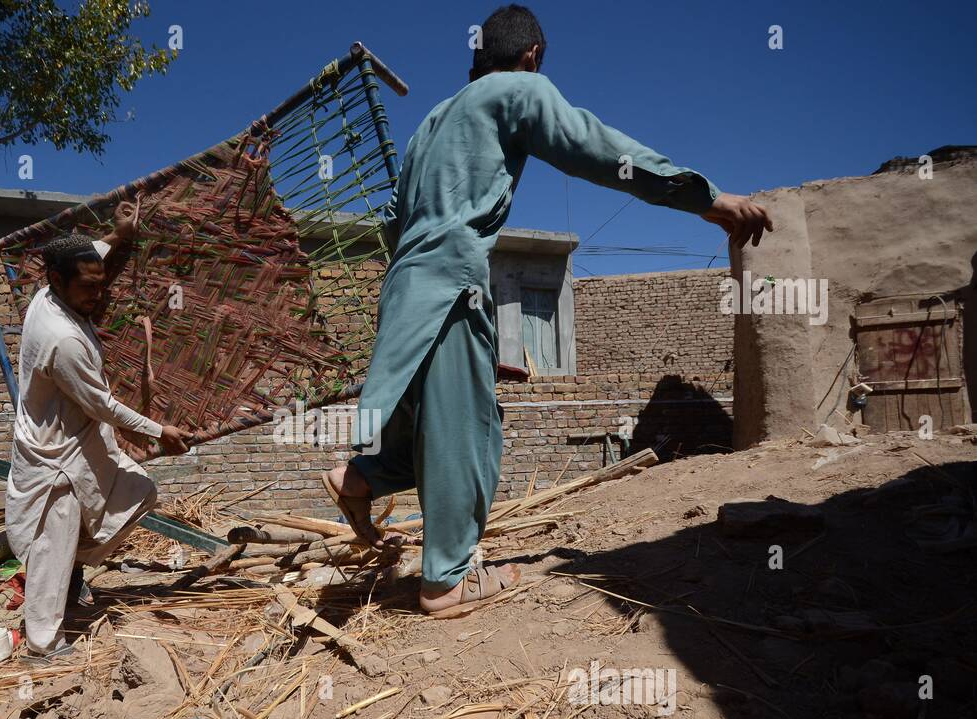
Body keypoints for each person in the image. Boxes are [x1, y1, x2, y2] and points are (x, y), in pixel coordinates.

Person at [323, 4, 773, 614]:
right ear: (531, 56)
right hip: (451, 279)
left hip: (404, 282)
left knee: (425, 413)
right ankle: (447, 581)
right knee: (466, 428)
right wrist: (707, 199)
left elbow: (400, 218)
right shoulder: (520, 90)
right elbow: (597, 147)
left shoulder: (430, 122)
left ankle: (361, 478)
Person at [6, 208, 189, 659]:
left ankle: (71, 567)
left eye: (100, 283)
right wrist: (158, 430)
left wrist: (118, 235)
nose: (97, 293)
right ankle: (43, 644)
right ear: (56, 279)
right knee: (53, 542)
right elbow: (101, 405)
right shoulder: (61, 338)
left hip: (82, 443)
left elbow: (92, 259)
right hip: (54, 458)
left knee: (140, 491)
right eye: (88, 286)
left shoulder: (50, 295)